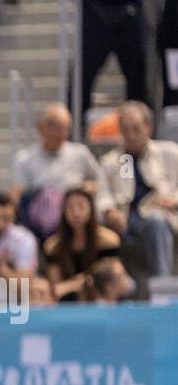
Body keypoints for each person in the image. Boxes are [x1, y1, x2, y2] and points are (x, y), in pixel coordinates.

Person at [96, 102, 178, 281]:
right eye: (125, 130)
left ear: (149, 128)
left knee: (156, 221)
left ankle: (161, 286)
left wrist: (174, 200)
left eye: (136, 129)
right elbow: (103, 194)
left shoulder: (169, 152)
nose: (131, 135)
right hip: (126, 219)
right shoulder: (114, 161)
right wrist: (109, 211)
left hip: (161, 215)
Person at [12, 104, 101, 243]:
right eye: (56, 127)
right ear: (40, 128)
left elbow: (98, 180)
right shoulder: (24, 158)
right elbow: (17, 194)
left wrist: (87, 188)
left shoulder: (80, 153)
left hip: (75, 215)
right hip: (38, 217)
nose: (61, 133)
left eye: (65, 128)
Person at [43, 187, 120, 303]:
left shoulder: (109, 241)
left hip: (101, 297)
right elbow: (55, 288)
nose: (76, 213)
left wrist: (86, 283)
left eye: (81, 206)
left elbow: (113, 280)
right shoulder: (53, 246)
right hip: (67, 300)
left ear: (91, 209)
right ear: (63, 212)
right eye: (70, 208)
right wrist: (74, 284)